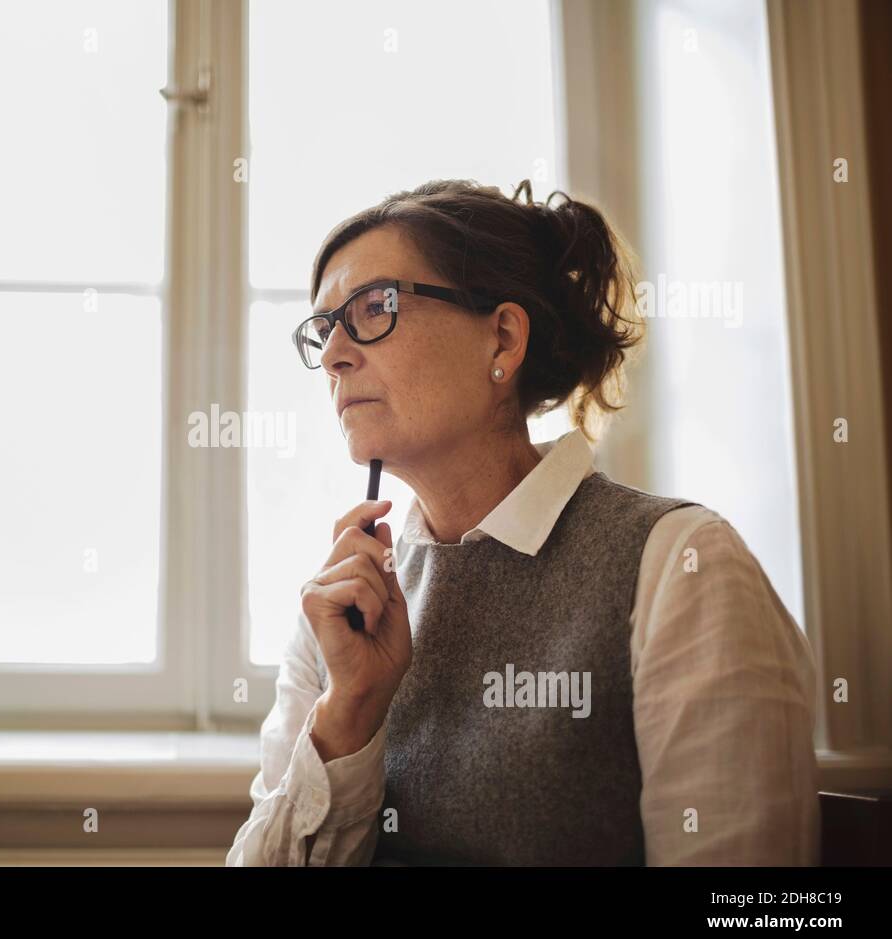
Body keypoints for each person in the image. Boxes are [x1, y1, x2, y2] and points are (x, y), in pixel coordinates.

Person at [225, 179, 820, 866]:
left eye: (375, 307)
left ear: (502, 337)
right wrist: (348, 713)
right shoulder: (338, 609)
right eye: (324, 328)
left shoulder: (684, 570)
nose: (333, 355)